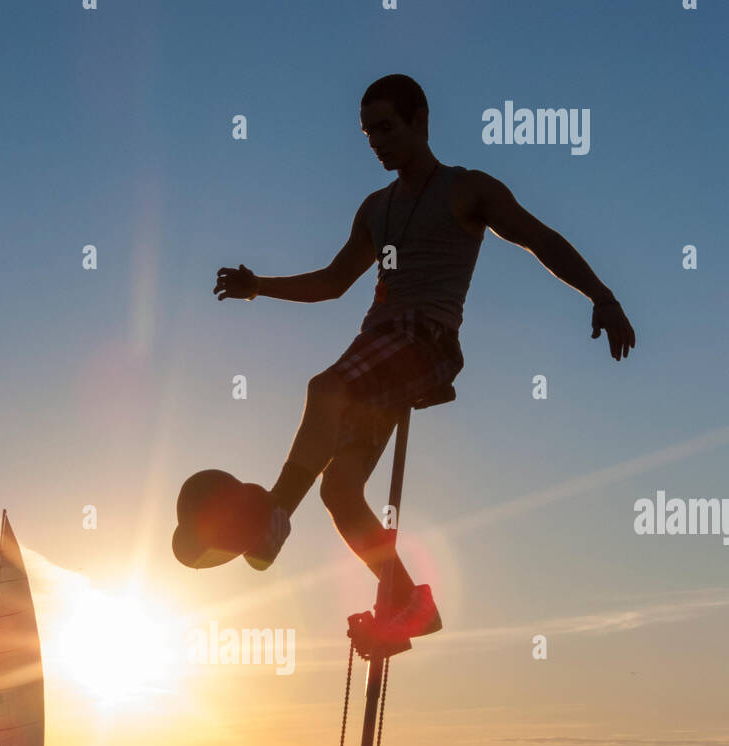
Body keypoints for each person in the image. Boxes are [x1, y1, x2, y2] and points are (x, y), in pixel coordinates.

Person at [213, 73, 635, 656]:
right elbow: (334, 283)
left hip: (425, 342)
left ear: (421, 121)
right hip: (379, 348)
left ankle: (276, 515)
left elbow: (543, 239)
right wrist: (260, 286)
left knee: (325, 386)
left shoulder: (468, 190)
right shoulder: (375, 209)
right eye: (367, 134)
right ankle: (411, 602)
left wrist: (602, 295)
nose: (376, 143)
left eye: (386, 128)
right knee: (340, 492)